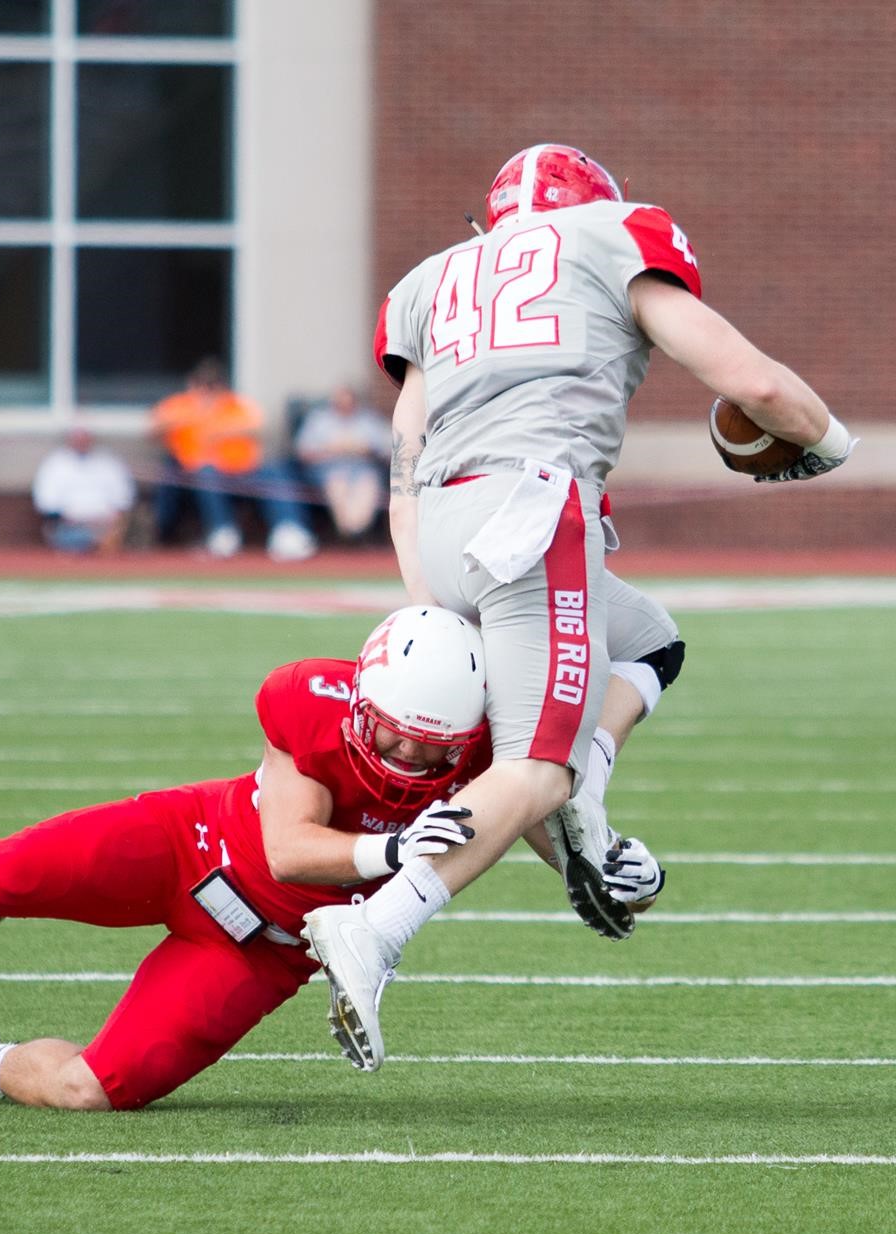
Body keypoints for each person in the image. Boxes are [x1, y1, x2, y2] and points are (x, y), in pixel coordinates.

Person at [304, 143, 851, 1071]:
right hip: (531, 508)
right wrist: (829, 444)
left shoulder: (433, 279)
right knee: (533, 769)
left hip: (444, 521)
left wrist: (427, 587)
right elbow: (753, 384)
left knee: (648, 645)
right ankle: (377, 929)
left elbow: (404, 450)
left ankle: (587, 809)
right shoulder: (609, 238)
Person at [0, 608, 510, 1109]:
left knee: (91, 1090)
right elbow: (290, 850)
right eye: (396, 738)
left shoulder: (489, 757)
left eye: (435, 747)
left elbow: (540, 799)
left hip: (261, 951)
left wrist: (594, 857)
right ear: (361, 705)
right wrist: (393, 847)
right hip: (194, 843)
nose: (413, 758)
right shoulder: (310, 699)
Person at [151, 358, 317, 561]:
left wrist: (220, 431)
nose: (208, 390)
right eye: (202, 384)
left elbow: (258, 428)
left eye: (213, 384)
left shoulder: (235, 405)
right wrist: (187, 418)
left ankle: (288, 530)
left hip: (243, 469)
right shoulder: (180, 406)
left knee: (274, 471)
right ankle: (223, 532)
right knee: (206, 472)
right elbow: (154, 430)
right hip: (199, 472)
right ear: (192, 383)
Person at [295, 384, 392, 542]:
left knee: (367, 483)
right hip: (329, 471)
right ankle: (349, 531)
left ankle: (356, 530)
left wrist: (365, 449)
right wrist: (330, 449)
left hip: (363, 470)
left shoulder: (369, 420)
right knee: (338, 482)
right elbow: (302, 452)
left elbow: (388, 450)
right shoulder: (319, 420)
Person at [31, 426, 136, 555]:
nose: (82, 442)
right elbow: (46, 501)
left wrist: (113, 517)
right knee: (72, 538)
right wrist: (68, 518)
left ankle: (103, 543)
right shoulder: (55, 464)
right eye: (78, 438)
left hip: (105, 523)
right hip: (71, 525)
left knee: (118, 533)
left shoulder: (108, 462)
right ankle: (95, 544)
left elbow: (123, 495)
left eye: (85, 438)